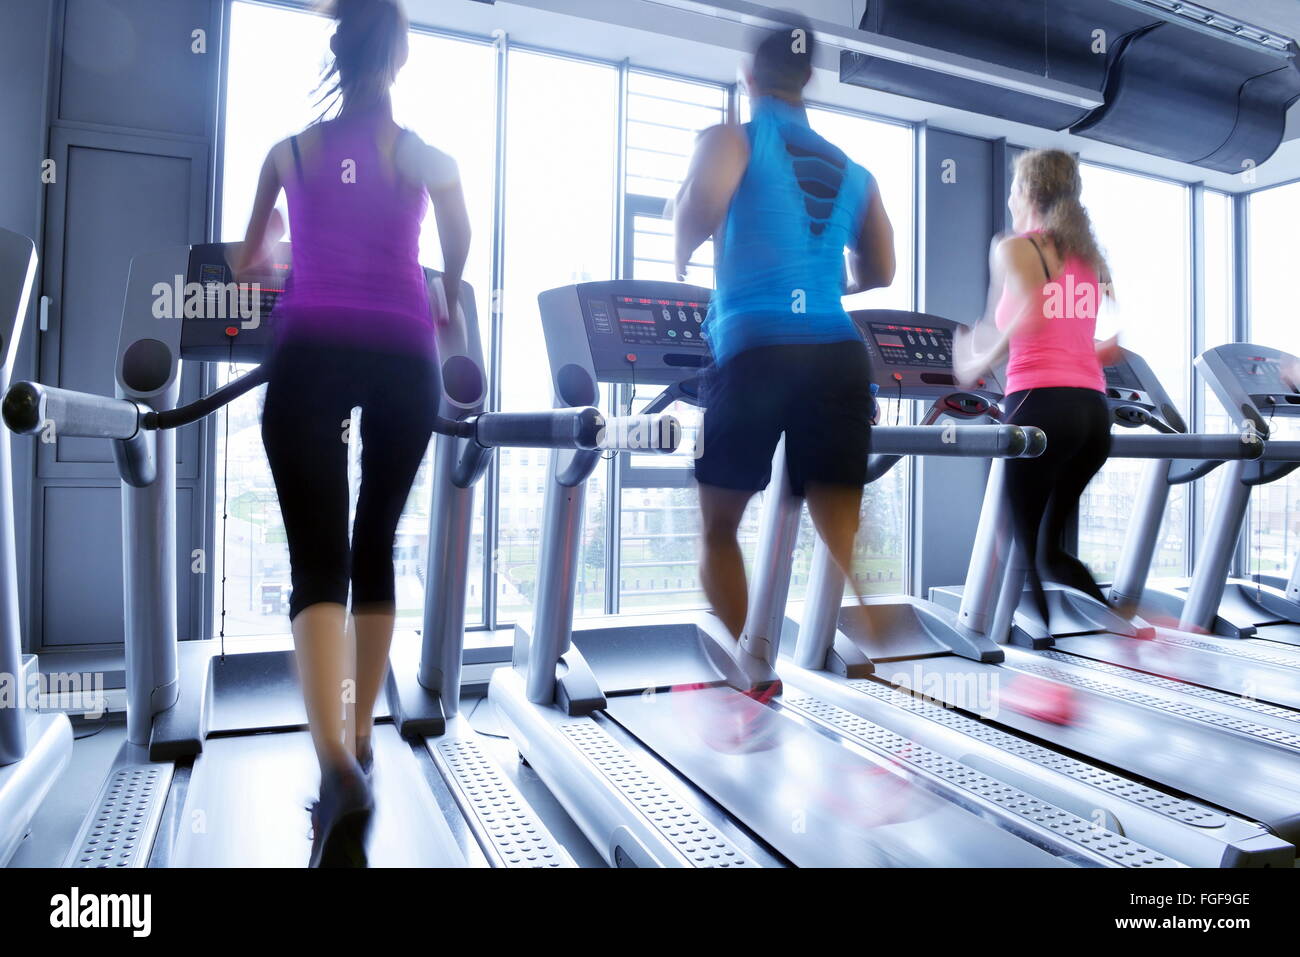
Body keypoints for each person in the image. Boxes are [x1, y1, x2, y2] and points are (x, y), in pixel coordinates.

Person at [232, 0, 470, 866]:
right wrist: (443, 286)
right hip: (405, 354)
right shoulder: (421, 153)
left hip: (311, 351)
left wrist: (291, 253)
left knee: (315, 561)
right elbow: (460, 238)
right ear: (399, 60)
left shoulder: (288, 153)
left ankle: (336, 759)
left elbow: (250, 263)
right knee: (375, 546)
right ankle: (361, 738)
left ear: (339, 49)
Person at [673, 15, 896, 654]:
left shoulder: (732, 139)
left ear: (749, 77)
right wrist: (827, 288)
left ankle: (752, 661)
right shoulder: (856, 172)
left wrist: (683, 246)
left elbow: (703, 206)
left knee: (719, 527)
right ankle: (874, 623)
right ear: (809, 81)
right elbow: (880, 271)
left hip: (758, 350)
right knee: (834, 513)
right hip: (838, 353)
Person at [954, 148, 1120, 627]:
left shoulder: (1015, 246)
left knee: (1025, 552)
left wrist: (975, 362)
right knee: (1049, 551)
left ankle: (1048, 673)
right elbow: (1117, 342)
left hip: (1040, 407)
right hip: (1093, 415)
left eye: (1013, 186)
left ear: (1027, 190)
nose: (1009, 196)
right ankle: (1128, 630)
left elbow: (1029, 312)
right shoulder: (1088, 258)